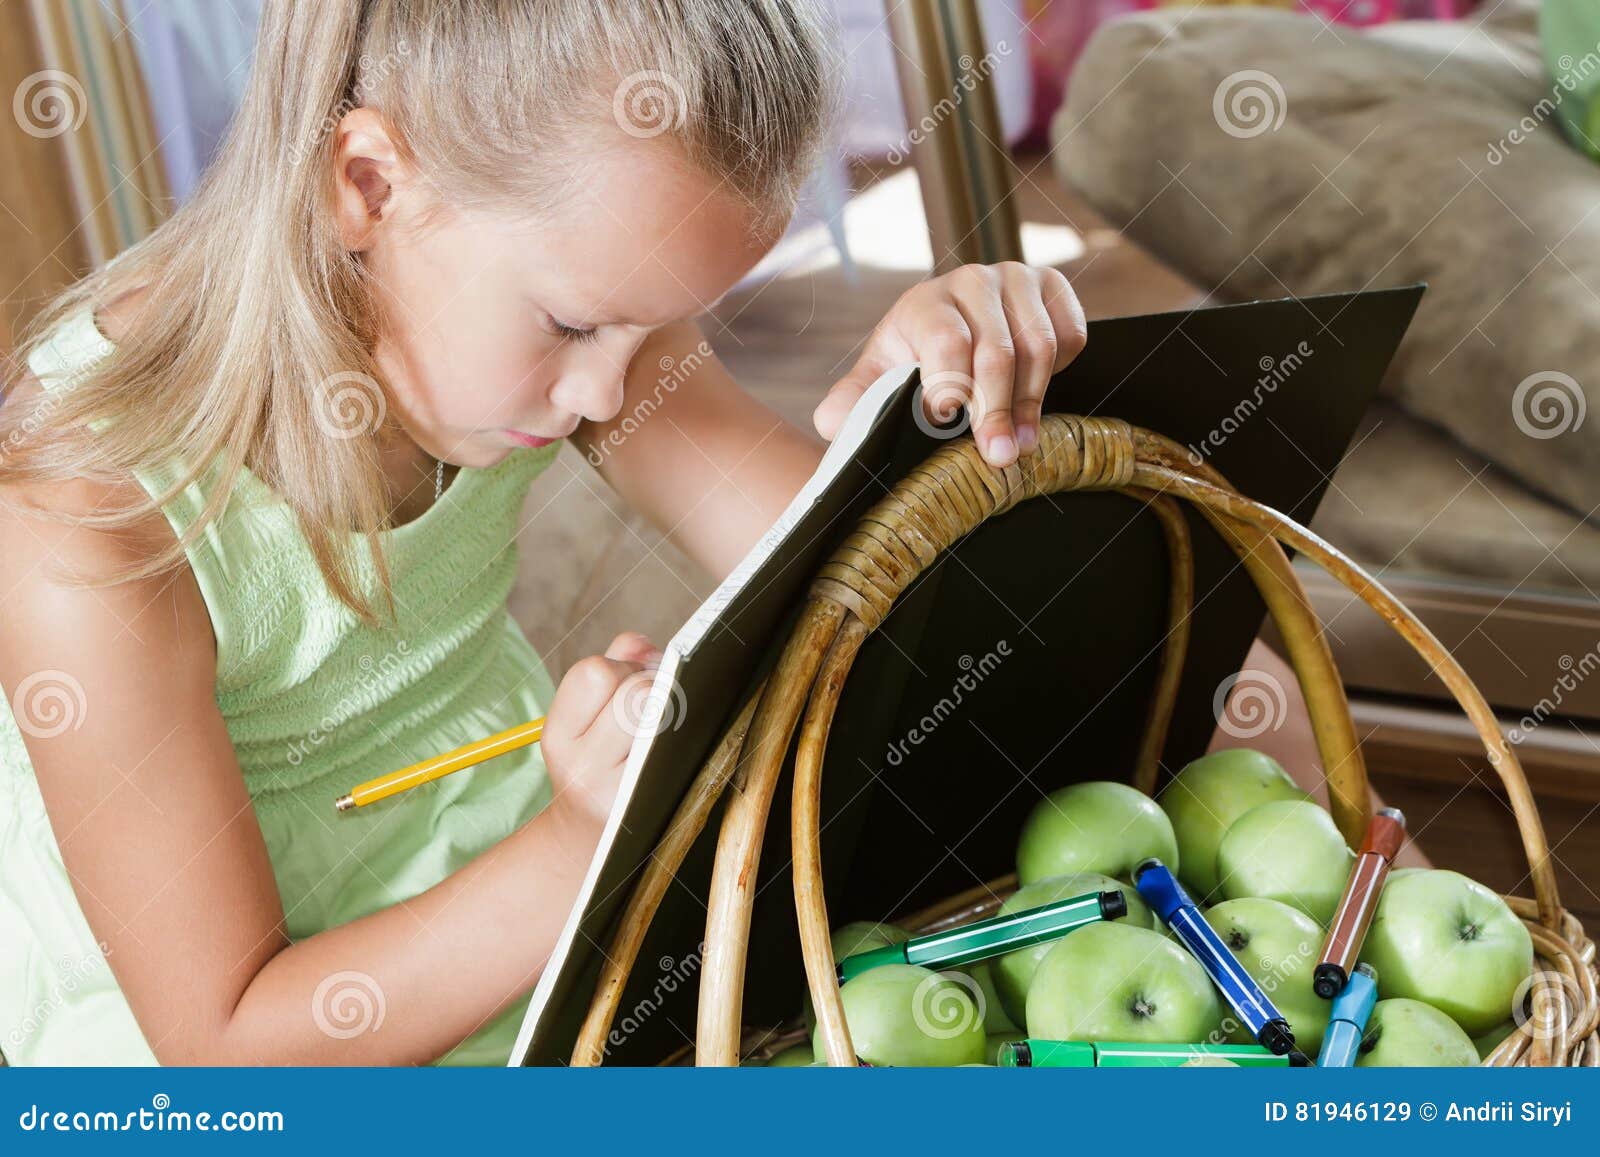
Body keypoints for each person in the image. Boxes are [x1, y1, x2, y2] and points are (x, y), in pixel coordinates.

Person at [0, 1, 1091, 1065]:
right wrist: (580, 844)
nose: (606, 387)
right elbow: (227, 1042)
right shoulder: (87, 514)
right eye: (573, 324)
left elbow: (859, 574)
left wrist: (920, 404)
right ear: (367, 184)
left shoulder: (553, 302)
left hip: (511, 867)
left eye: (645, 324)